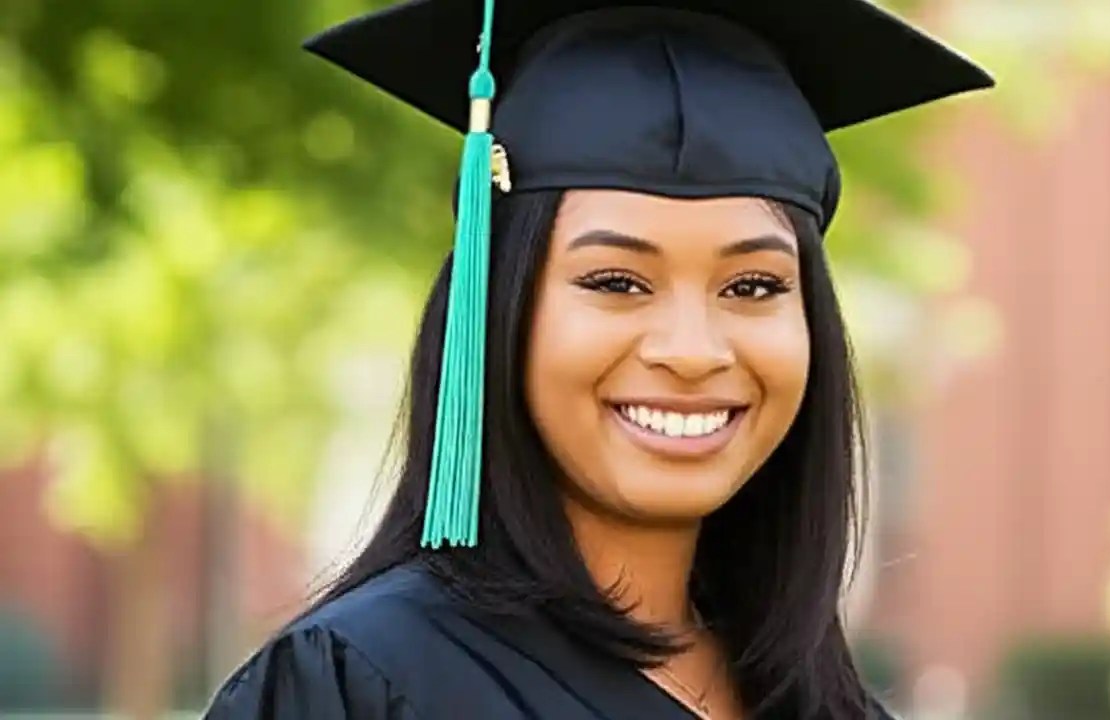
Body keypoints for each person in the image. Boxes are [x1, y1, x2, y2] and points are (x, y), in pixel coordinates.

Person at [204, 0, 992, 718]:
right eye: (617, 282)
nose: (692, 351)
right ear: (500, 306)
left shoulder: (830, 709)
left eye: (753, 286)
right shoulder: (359, 687)